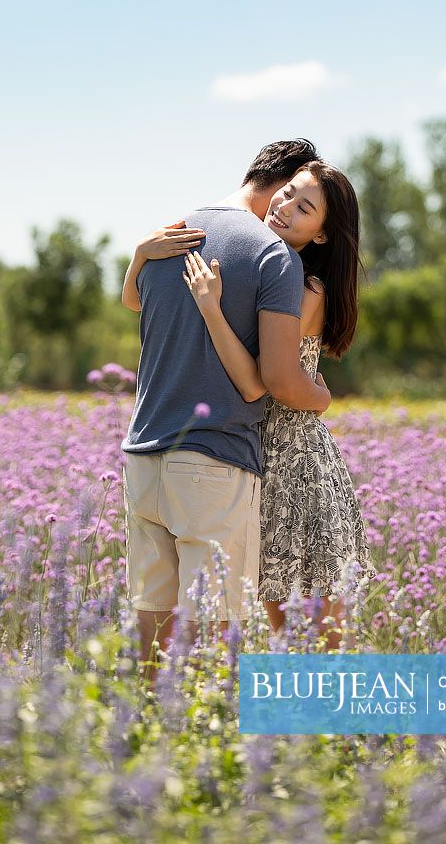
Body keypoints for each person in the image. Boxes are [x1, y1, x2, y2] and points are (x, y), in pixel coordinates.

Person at [120, 140, 331, 672]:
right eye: (291, 195)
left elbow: (134, 300)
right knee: (214, 619)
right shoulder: (271, 255)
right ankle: (206, 744)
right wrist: (321, 394)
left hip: (144, 451)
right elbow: (271, 381)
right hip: (214, 460)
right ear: (281, 184)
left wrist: (138, 255)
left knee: (151, 615)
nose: (286, 209)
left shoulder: (170, 231)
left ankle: (146, 734)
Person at [150, 161, 373, 649]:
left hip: (293, 464)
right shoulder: (271, 266)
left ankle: (333, 725)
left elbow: (264, 382)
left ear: (320, 235)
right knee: (282, 624)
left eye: (304, 207)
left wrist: (211, 309)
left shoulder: (302, 285)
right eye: (288, 192)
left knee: (311, 632)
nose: (285, 207)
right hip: (257, 454)